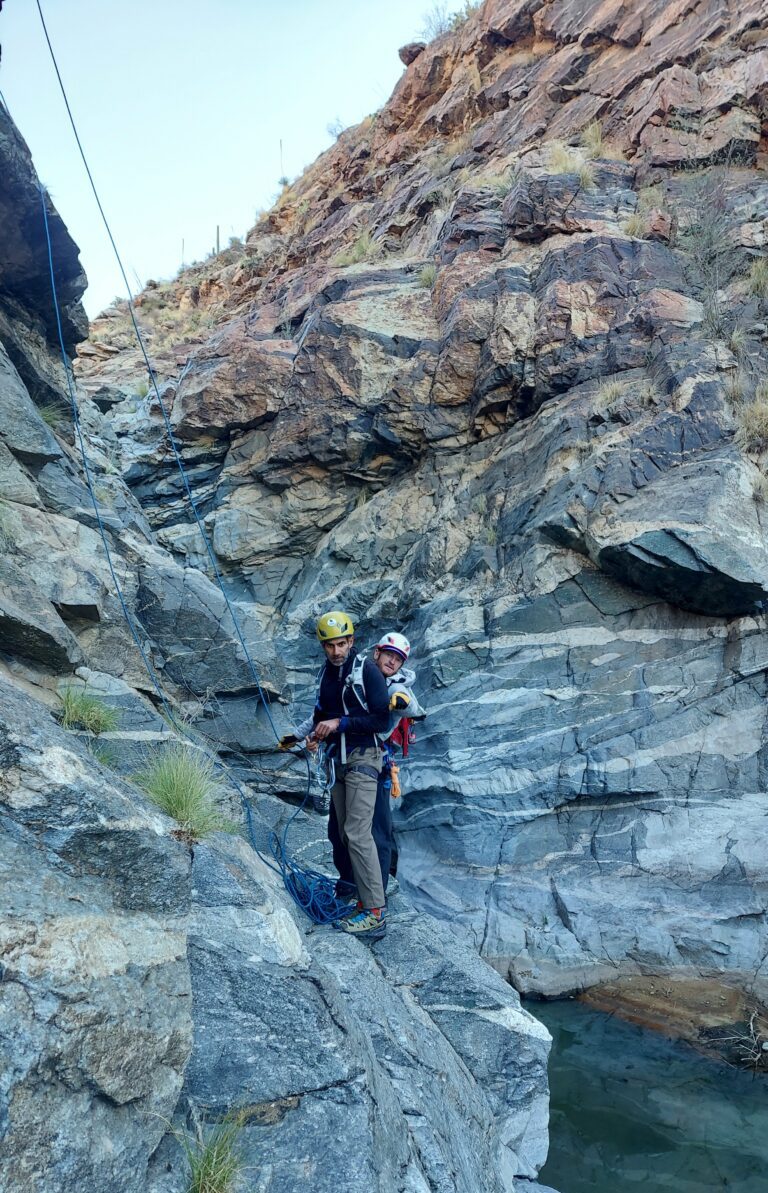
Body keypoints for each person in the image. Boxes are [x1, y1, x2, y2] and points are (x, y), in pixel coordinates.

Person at [281, 610, 391, 939]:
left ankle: (375, 910)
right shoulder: (327, 675)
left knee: (358, 833)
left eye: (341, 644)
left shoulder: (367, 671)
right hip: (339, 761)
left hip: (364, 757)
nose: (336, 651)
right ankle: (360, 899)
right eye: (330, 646)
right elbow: (320, 714)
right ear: (323, 646)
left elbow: (381, 720)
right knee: (344, 833)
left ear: (352, 641)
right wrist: (300, 738)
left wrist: (339, 725)